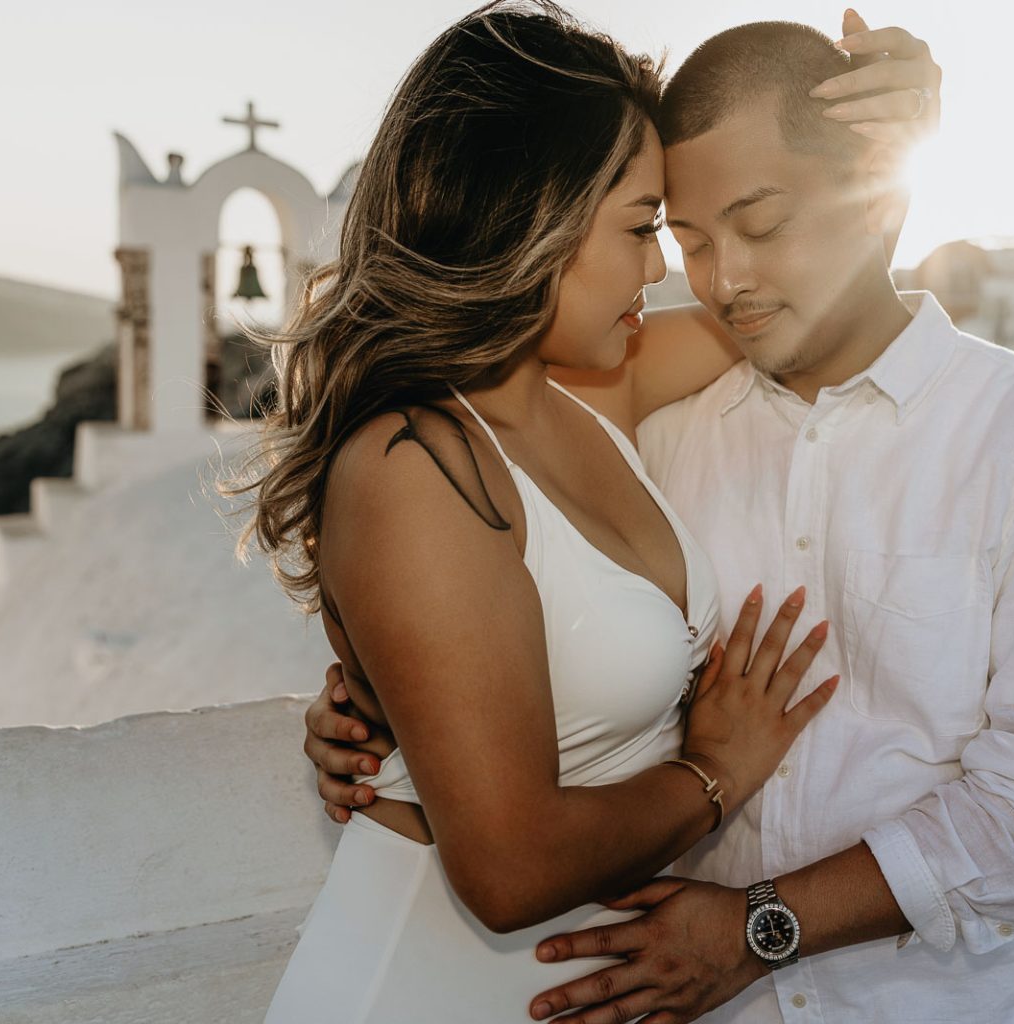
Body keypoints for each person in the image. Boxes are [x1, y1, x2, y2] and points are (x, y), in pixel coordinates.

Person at [308, 17, 1014, 1024]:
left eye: (761, 224)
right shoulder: (649, 424)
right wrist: (402, 717)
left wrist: (760, 922)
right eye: (680, 235)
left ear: (880, 197)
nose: (719, 280)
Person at [245, 3, 940, 1021]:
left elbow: (812, 297)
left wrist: (892, 145)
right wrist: (716, 768)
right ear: (538, 219)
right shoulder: (412, 464)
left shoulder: (591, 391)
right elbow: (508, 870)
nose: (661, 268)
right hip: (430, 990)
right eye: (643, 229)